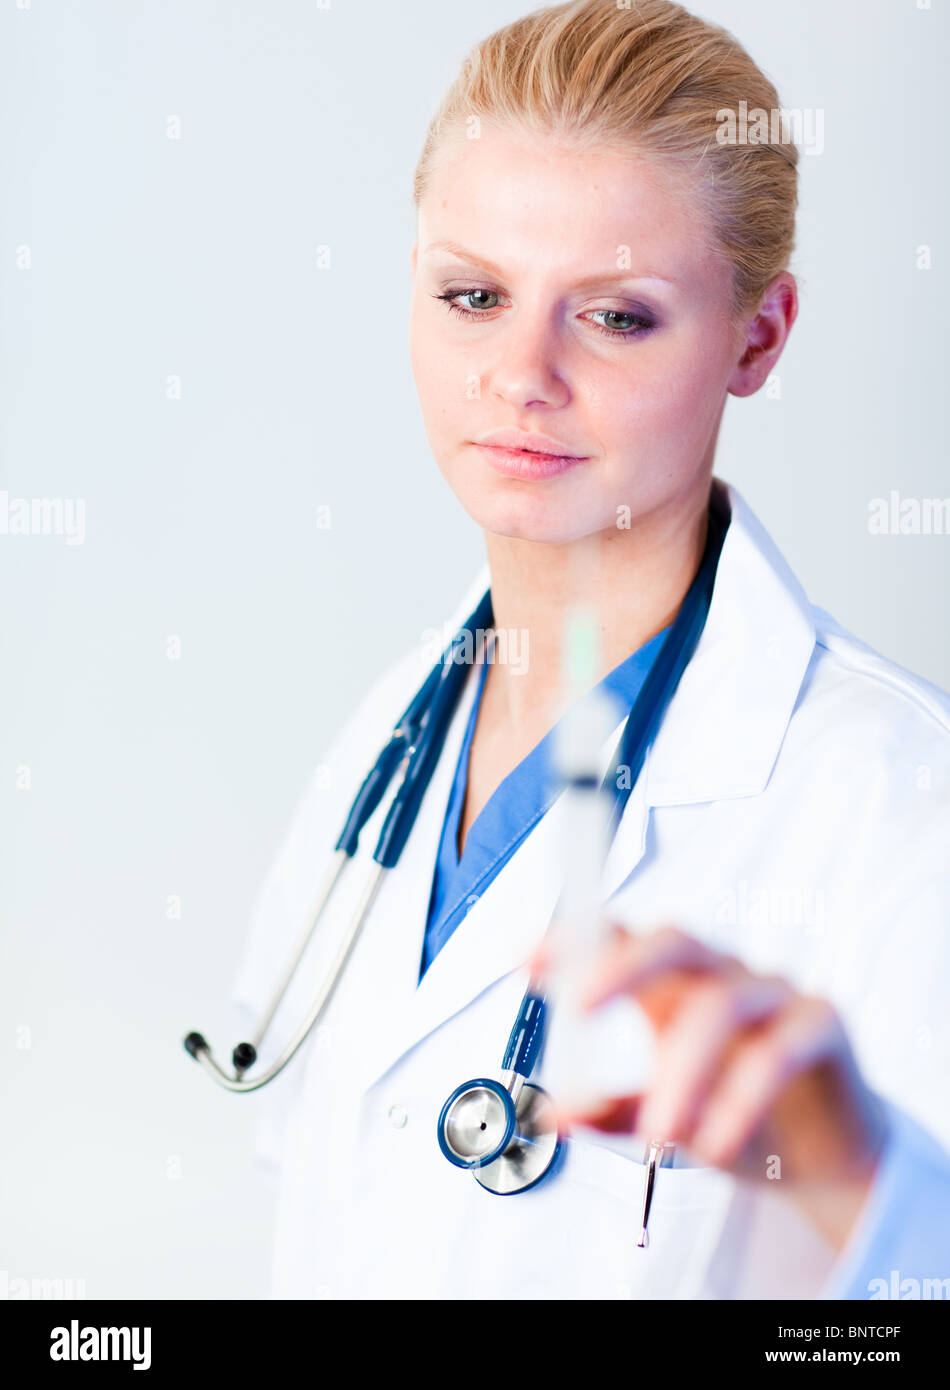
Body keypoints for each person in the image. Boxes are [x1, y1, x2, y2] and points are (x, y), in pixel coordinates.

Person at [231, 0, 950, 1299]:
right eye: (473, 295)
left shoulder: (899, 808)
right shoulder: (384, 747)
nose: (520, 372)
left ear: (758, 336)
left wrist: (853, 1172)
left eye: (615, 316)